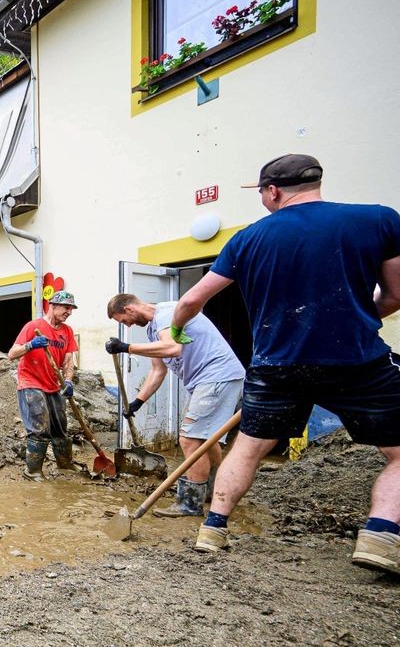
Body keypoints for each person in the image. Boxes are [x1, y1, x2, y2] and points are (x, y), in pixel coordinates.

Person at [169, 154, 400, 576]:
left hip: (276, 365)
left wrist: (178, 329)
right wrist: (352, 317)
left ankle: (213, 527)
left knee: (248, 449)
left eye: (260, 192)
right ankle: (382, 532)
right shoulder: (380, 221)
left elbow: (190, 301)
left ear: (273, 191)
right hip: (356, 359)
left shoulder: (248, 239)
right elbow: (394, 294)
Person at [105, 294, 245, 516]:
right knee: (206, 438)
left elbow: (173, 348)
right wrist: (138, 402)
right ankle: (212, 489)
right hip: (210, 380)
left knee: (190, 439)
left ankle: (190, 503)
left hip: (215, 376)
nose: (128, 325)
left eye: (124, 320)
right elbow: (157, 371)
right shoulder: (154, 329)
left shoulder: (167, 314)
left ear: (130, 309)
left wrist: (126, 347)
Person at [7, 290, 79, 481]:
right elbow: (12, 354)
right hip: (31, 382)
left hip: (53, 384)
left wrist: (69, 380)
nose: (69, 312)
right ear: (52, 305)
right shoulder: (33, 326)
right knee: (40, 428)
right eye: (66, 307)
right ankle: (33, 472)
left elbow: (69, 359)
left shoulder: (67, 331)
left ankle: (65, 464)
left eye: (71, 309)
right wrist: (30, 345)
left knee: (61, 428)